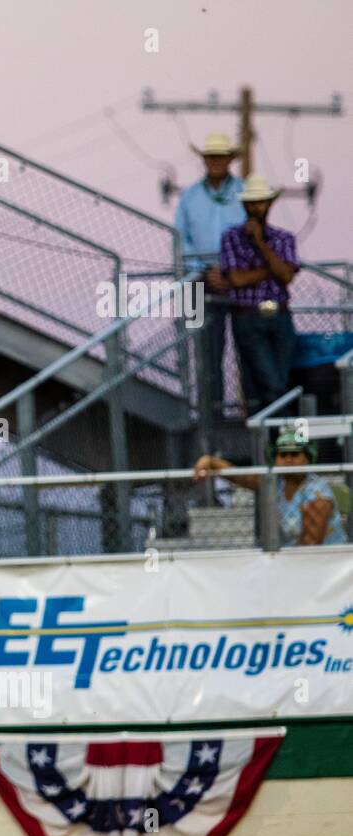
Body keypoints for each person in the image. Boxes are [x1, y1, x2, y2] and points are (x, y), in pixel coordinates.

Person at [174, 132, 245, 417]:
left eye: (220, 156)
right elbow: (181, 239)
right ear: (204, 160)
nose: (216, 161)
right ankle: (211, 414)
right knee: (207, 353)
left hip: (240, 281)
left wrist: (231, 271)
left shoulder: (244, 191)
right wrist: (204, 271)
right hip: (200, 284)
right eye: (211, 157)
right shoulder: (189, 197)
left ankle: (251, 411)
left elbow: (253, 234)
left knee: (248, 348)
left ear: (229, 159)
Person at [219, 173, 301, 414]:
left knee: (276, 383)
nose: (257, 207)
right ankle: (284, 439)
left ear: (269, 204)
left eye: (261, 202)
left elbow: (286, 276)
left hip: (280, 317)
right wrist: (272, 269)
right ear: (245, 205)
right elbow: (236, 279)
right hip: (248, 318)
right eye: (252, 202)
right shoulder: (231, 238)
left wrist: (261, 244)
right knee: (271, 385)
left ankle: (272, 441)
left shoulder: (283, 238)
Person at [192, 430, 347, 546]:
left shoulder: (316, 493)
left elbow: (311, 544)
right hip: (294, 557)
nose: (288, 460)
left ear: (307, 458)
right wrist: (210, 461)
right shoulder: (277, 483)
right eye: (283, 455)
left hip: (325, 564)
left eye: (294, 454)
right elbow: (242, 477)